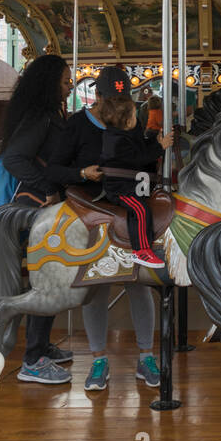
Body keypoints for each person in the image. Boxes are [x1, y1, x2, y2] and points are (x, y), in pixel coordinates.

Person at [0, 54, 79, 384]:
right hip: (34, 206)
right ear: (50, 83)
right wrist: (48, 186)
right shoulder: (41, 117)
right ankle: (33, 359)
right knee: (49, 275)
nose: (70, 87)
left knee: (53, 271)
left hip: (44, 203)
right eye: (66, 82)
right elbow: (14, 158)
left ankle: (40, 345)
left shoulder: (51, 113)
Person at [71, 66, 162, 391]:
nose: (119, 105)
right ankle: (98, 358)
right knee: (97, 285)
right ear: (97, 97)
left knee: (138, 283)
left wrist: (153, 144)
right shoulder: (78, 124)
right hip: (92, 206)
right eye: (113, 99)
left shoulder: (131, 120)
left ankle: (147, 355)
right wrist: (82, 172)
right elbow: (57, 164)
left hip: (124, 199)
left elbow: (140, 162)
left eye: (123, 99)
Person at [100, 69, 173, 270]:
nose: (137, 117)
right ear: (127, 121)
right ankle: (141, 250)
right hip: (120, 188)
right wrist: (161, 146)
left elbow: (141, 148)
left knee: (145, 204)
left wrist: (155, 141)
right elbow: (138, 158)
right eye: (134, 114)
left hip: (130, 183)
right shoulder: (115, 141)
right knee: (140, 209)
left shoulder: (125, 134)